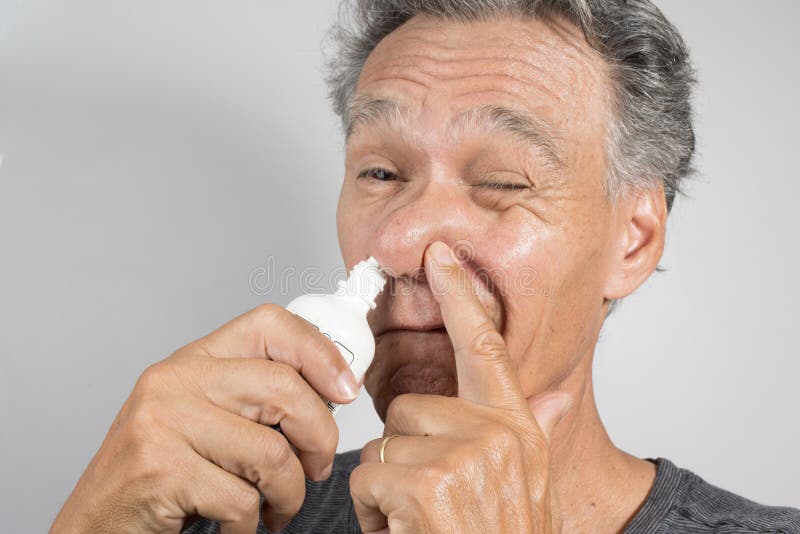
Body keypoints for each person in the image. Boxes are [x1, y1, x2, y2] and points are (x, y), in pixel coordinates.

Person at [51, 1, 800, 533]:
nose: (400, 242)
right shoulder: (233, 513)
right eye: (380, 174)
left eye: (501, 182)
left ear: (632, 242)